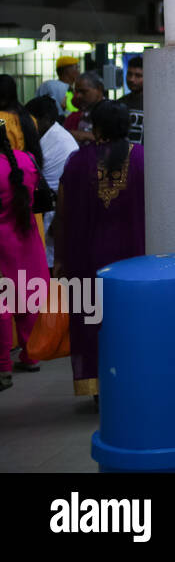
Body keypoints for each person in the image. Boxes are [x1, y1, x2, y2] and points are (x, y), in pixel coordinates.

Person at [53, 100, 145, 402]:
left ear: (96, 127)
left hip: (87, 254)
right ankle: (133, 380)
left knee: (92, 320)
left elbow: (63, 213)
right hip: (134, 254)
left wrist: (62, 259)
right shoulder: (144, 158)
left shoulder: (78, 162)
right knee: (131, 318)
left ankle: (98, 388)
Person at [0, 126, 49, 391]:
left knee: (2, 307)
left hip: (2, 241)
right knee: (28, 298)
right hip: (27, 235)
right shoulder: (27, 159)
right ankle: (31, 356)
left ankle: (3, 367)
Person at [25, 96, 78, 265]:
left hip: (56, 213)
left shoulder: (57, 140)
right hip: (52, 210)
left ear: (45, 120)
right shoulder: (53, 135)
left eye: (31, 120)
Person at [65, 72, 106, 146]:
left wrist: (87, 136)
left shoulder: (113, 114)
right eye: (76, 92)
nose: (78, 96)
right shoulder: (73, 118)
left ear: (99, 90)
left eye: (83, 91)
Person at [120, 55, 145, 144]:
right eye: (129, 74)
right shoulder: (120, 103)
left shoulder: (155, 104)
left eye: (138, 76)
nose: (131, 79)